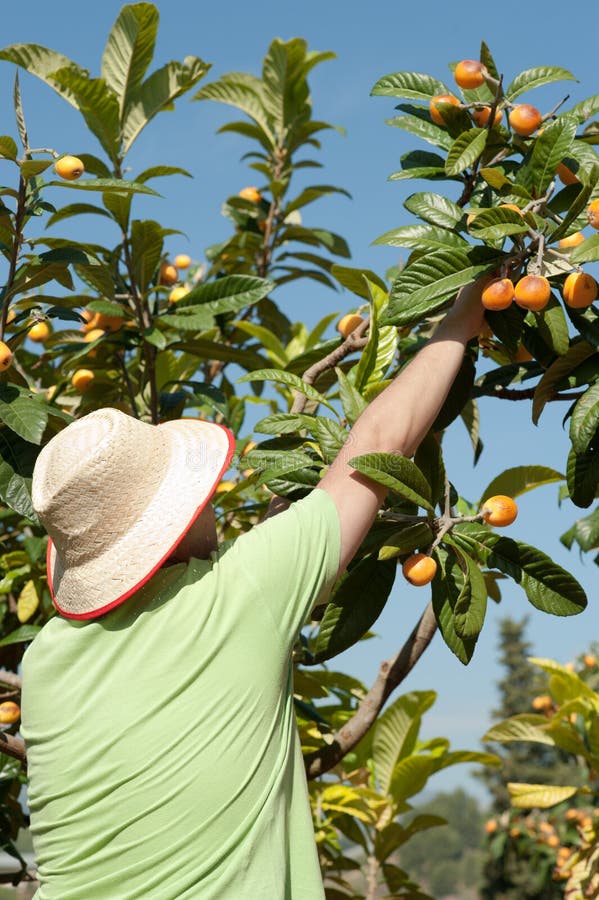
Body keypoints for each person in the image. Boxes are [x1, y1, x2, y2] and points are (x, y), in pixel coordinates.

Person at [21, 281, 486, 899]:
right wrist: (463, 315)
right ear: (177, 517)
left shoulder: (44, 661)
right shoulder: (241, 593)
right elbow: (380, 445)